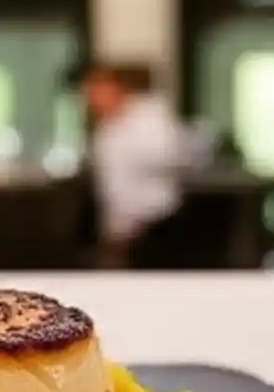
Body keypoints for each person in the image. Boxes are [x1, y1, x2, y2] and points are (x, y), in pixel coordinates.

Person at [78, 63, 191, 269]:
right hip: (123, 229)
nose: (92, 99)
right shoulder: (106, 127)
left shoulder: (150, 119)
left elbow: (167, 157)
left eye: (97, 91)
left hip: (155, 224)